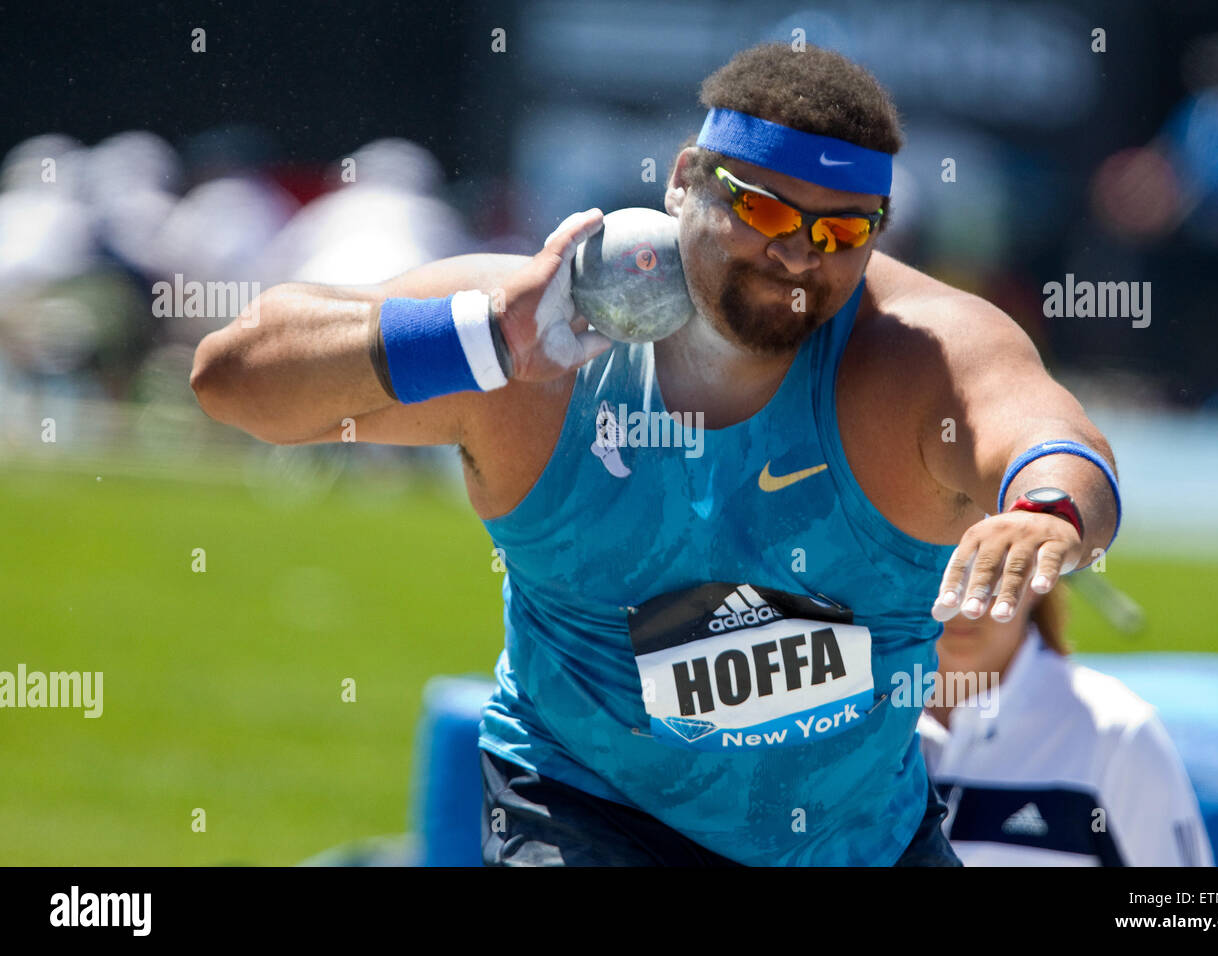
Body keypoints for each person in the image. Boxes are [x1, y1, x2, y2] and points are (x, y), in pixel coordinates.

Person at [190, 43, 1121, 866]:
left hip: (858, 840)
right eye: (763, 210)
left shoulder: (917, 356)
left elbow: (1052, 435)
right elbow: (234, 378)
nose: (799, 255)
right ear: (685, 179)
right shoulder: (530, 341)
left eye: (841, 230)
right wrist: (477, 339)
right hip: (588, 809)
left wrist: (1047, 509)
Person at [920, 586, 1214, 866]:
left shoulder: (1115, 731)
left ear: (1039, 568)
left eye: (990, 562)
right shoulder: (875, 715)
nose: (961, 599)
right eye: (938, 558)